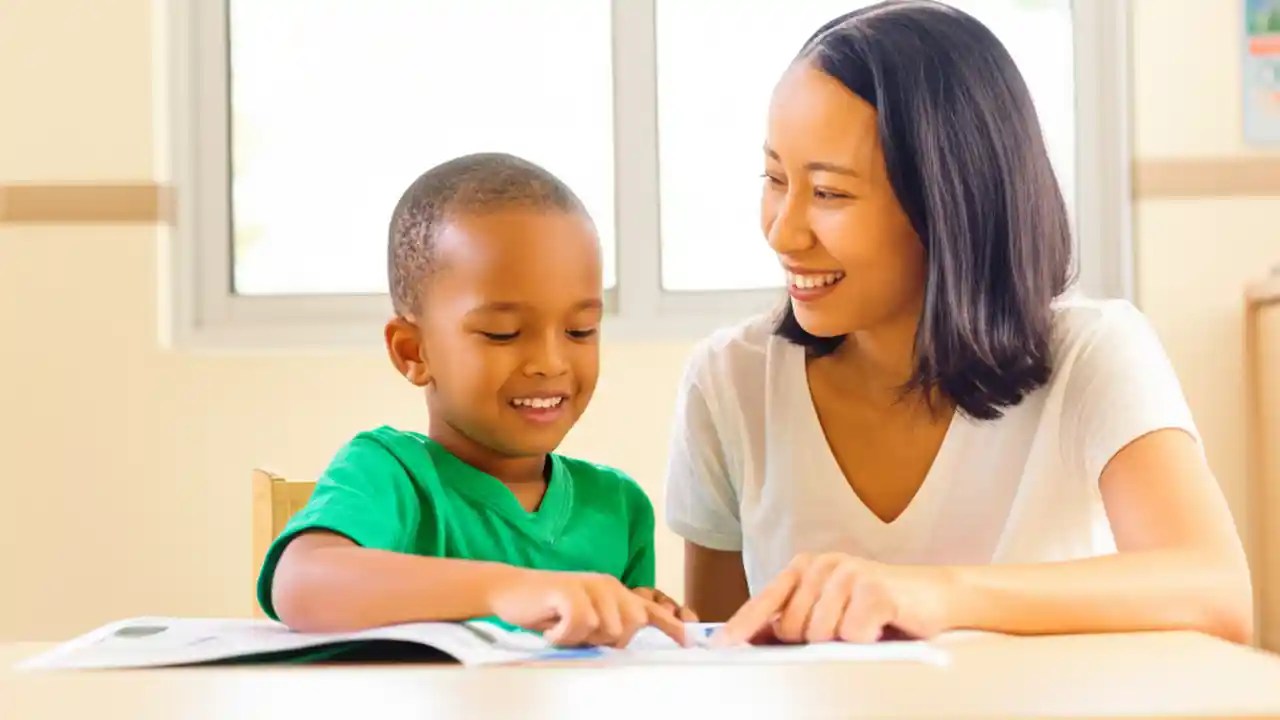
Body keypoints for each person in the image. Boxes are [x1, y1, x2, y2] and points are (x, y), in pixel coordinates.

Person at [665, 0, 1252, 646]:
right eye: (775, 178)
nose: (782, 229)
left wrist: (937, 594)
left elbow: (1216, 595)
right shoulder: (730, 383)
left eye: (829, 192)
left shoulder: (1094, 355)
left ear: (948, 202)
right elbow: (721, 660)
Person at [259, 152, 692, 648]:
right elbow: (301, 585)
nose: (550, 362)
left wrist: (639, 618)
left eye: (580, 330)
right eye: (503, 333)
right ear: (413, 351)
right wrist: (509, 589)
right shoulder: (389, 474)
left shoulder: (618, 507)